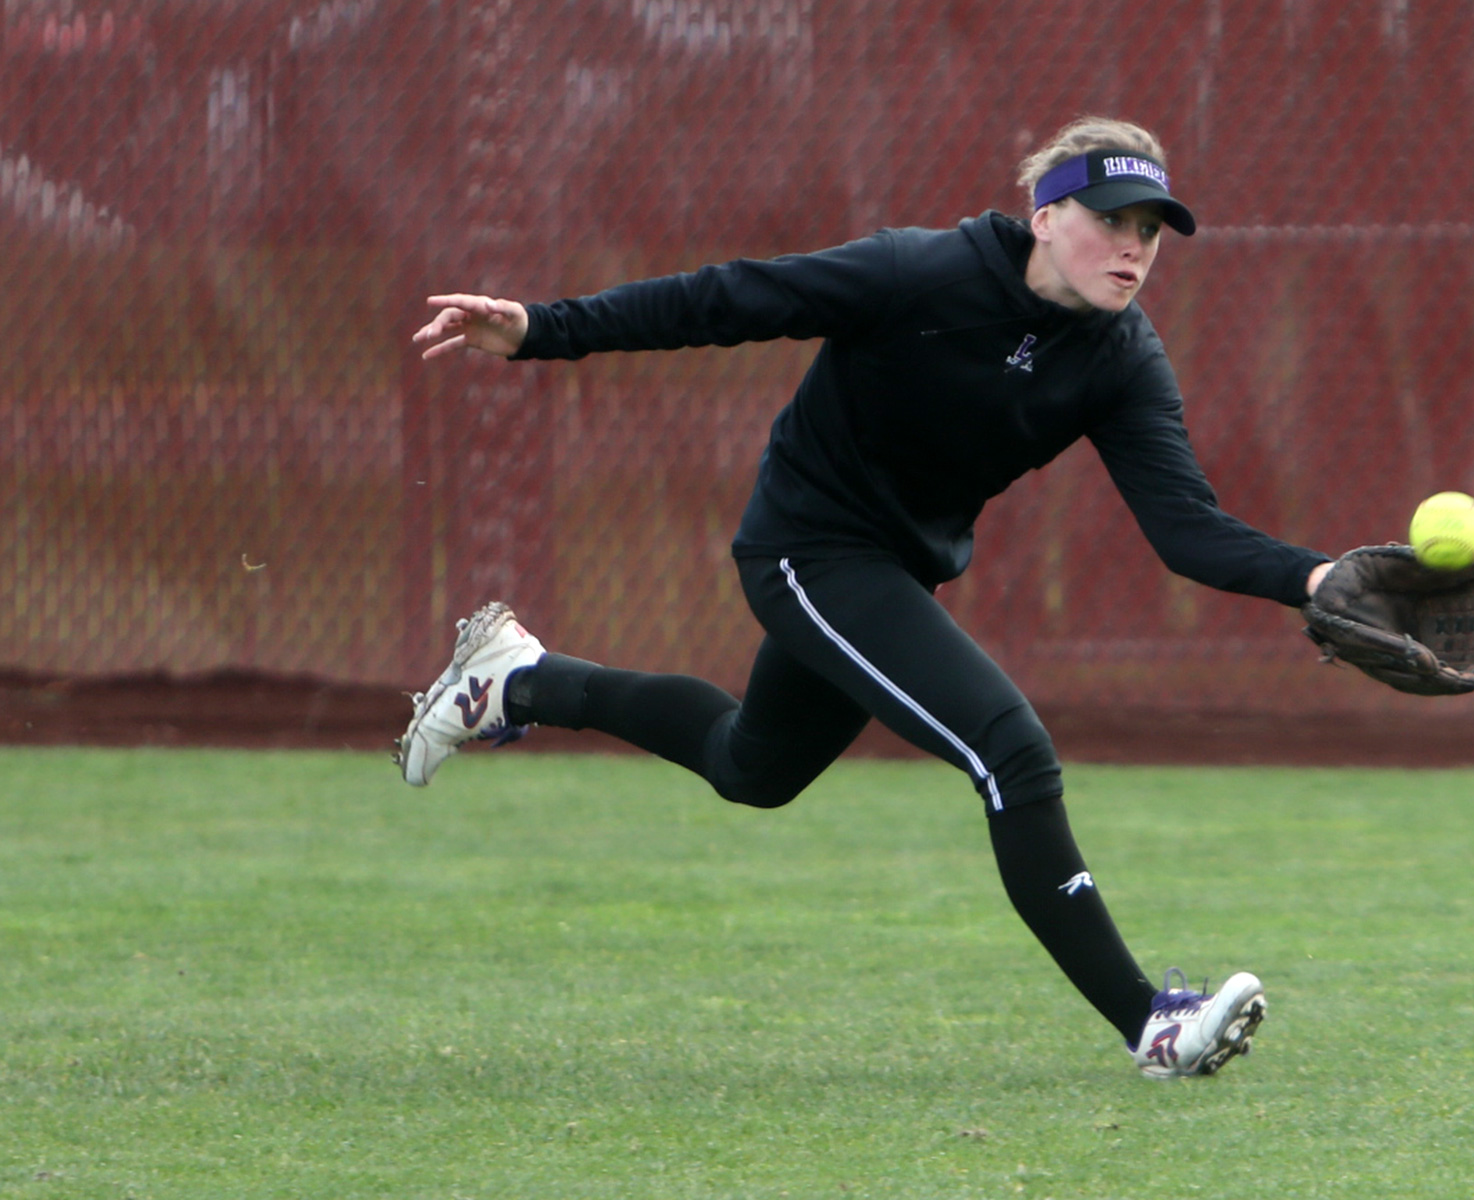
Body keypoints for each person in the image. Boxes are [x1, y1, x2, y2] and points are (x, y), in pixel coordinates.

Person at [399, 116, 1337, 1079]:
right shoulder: (919, 274)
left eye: (1151, 228)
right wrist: (539, 330)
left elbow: (1186, 528)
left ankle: (517, 678)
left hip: (894, 570)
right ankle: (1153, 1023)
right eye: (1112, 218)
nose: (1135, 246)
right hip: (806, 548)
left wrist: (1318, 579)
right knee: (1009, 750)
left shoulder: (1120, 358)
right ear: (1047, 216)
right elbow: (728, 300)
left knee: (751, 767)